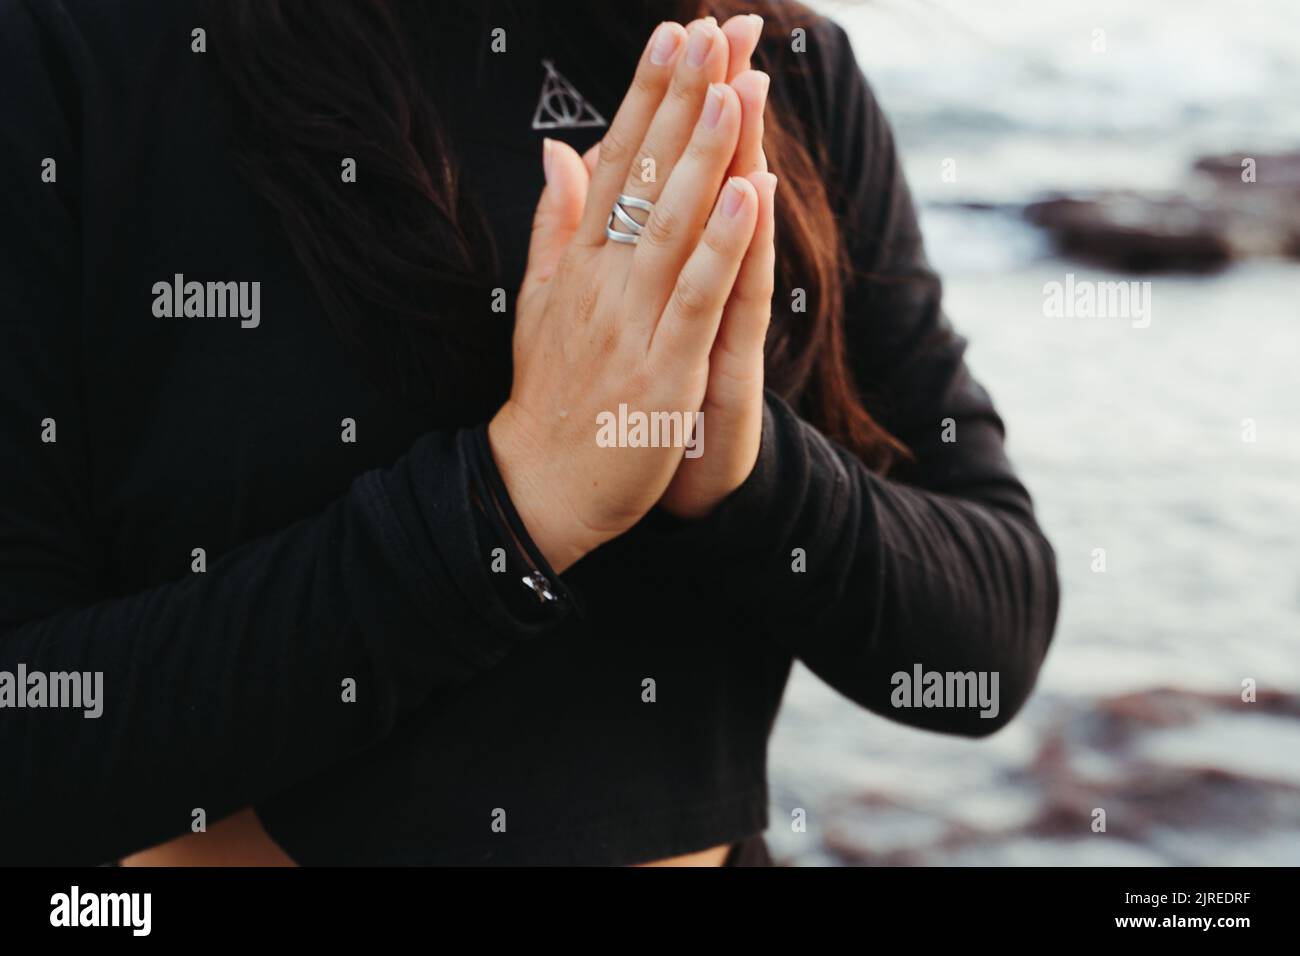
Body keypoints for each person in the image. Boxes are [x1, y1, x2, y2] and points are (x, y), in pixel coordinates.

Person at [0, 0, 1060, 866]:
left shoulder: (782, 69)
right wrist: (508, 508)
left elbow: (991, 640)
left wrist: (750, 475)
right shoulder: (73, 54)